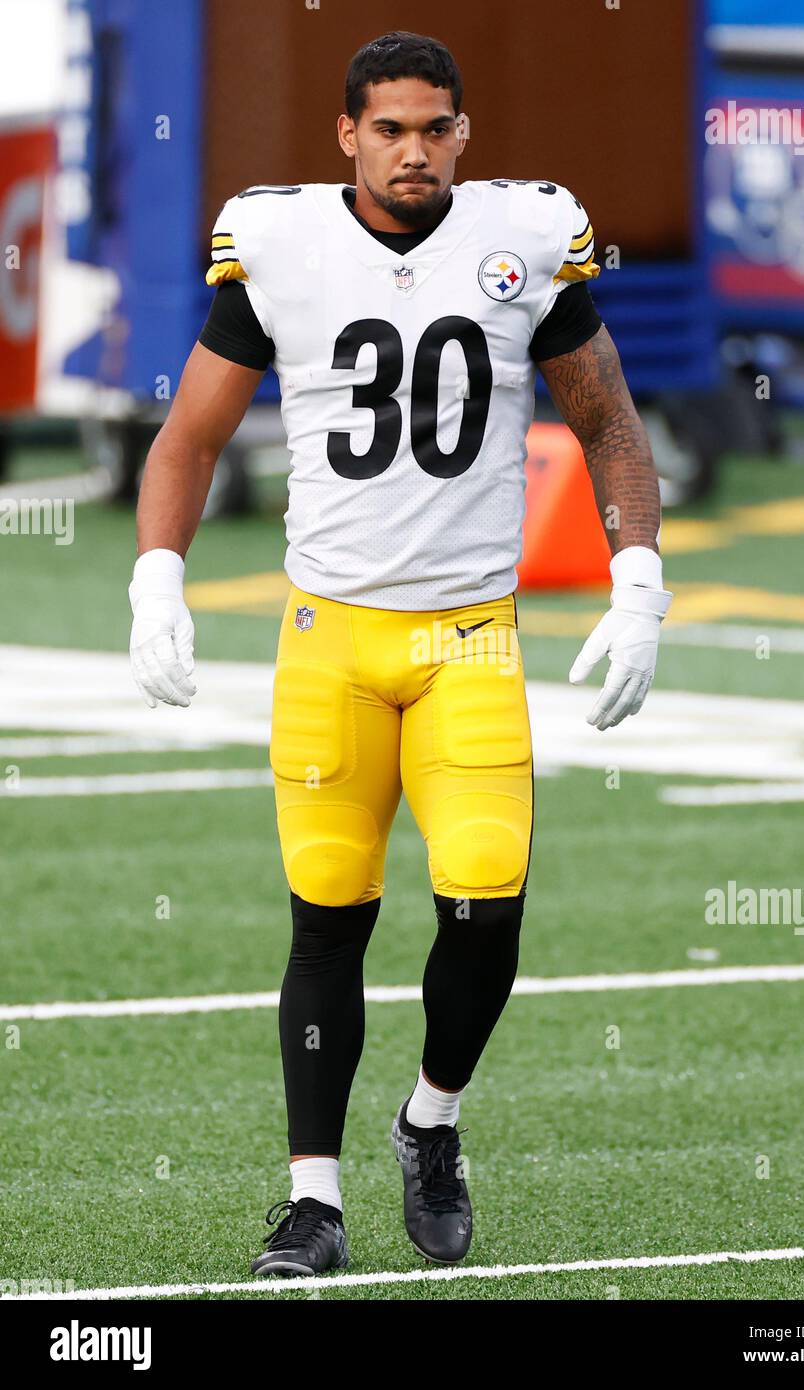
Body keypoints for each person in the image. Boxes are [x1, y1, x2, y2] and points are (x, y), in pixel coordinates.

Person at [128, 30, 671, 1276]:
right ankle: (311, 1201)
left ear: (463, 136)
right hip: (330, 635)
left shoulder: (523, 238)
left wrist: (636, 579)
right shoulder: (280, 243)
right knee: (329, 917)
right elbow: (187, 438)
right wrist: (159, 575)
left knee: (485, 903)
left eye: (434, 127)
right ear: (346, 136)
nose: (412, 149)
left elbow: (609, 423)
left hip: (470, 632)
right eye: (389, 128)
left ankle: (429, 1117)